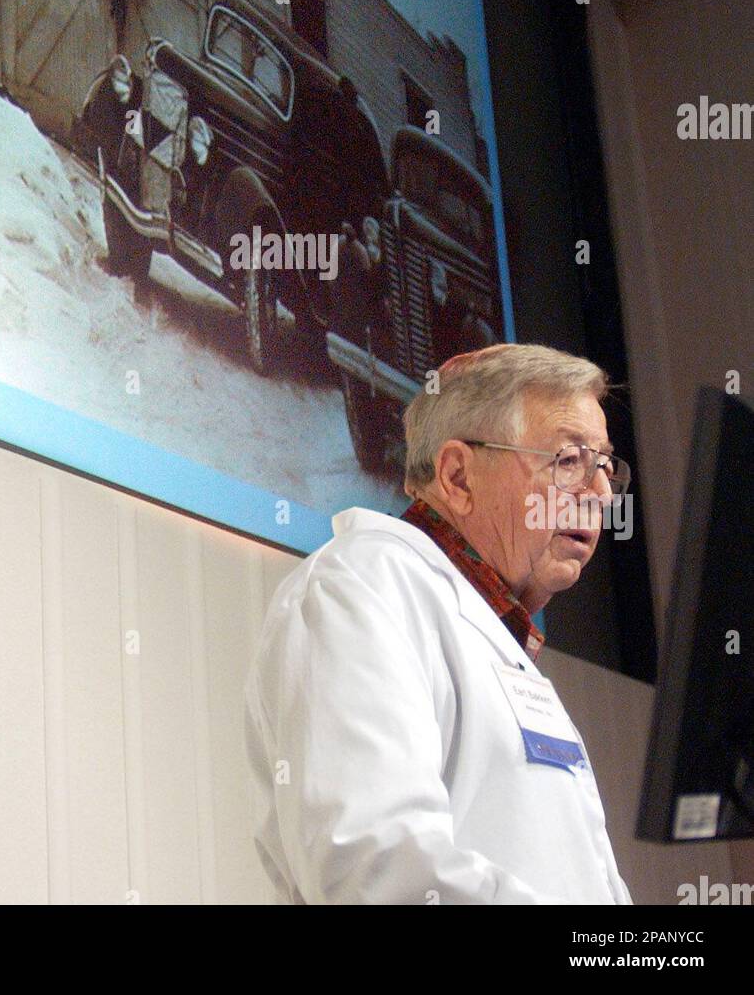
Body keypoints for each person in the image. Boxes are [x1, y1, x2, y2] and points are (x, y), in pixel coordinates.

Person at [243, 342, 634, 904]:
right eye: (569, 460)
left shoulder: (496, 634)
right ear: (457, 476)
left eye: (604, 466)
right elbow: (374, 867)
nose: (599, 495)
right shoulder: (361, 586)